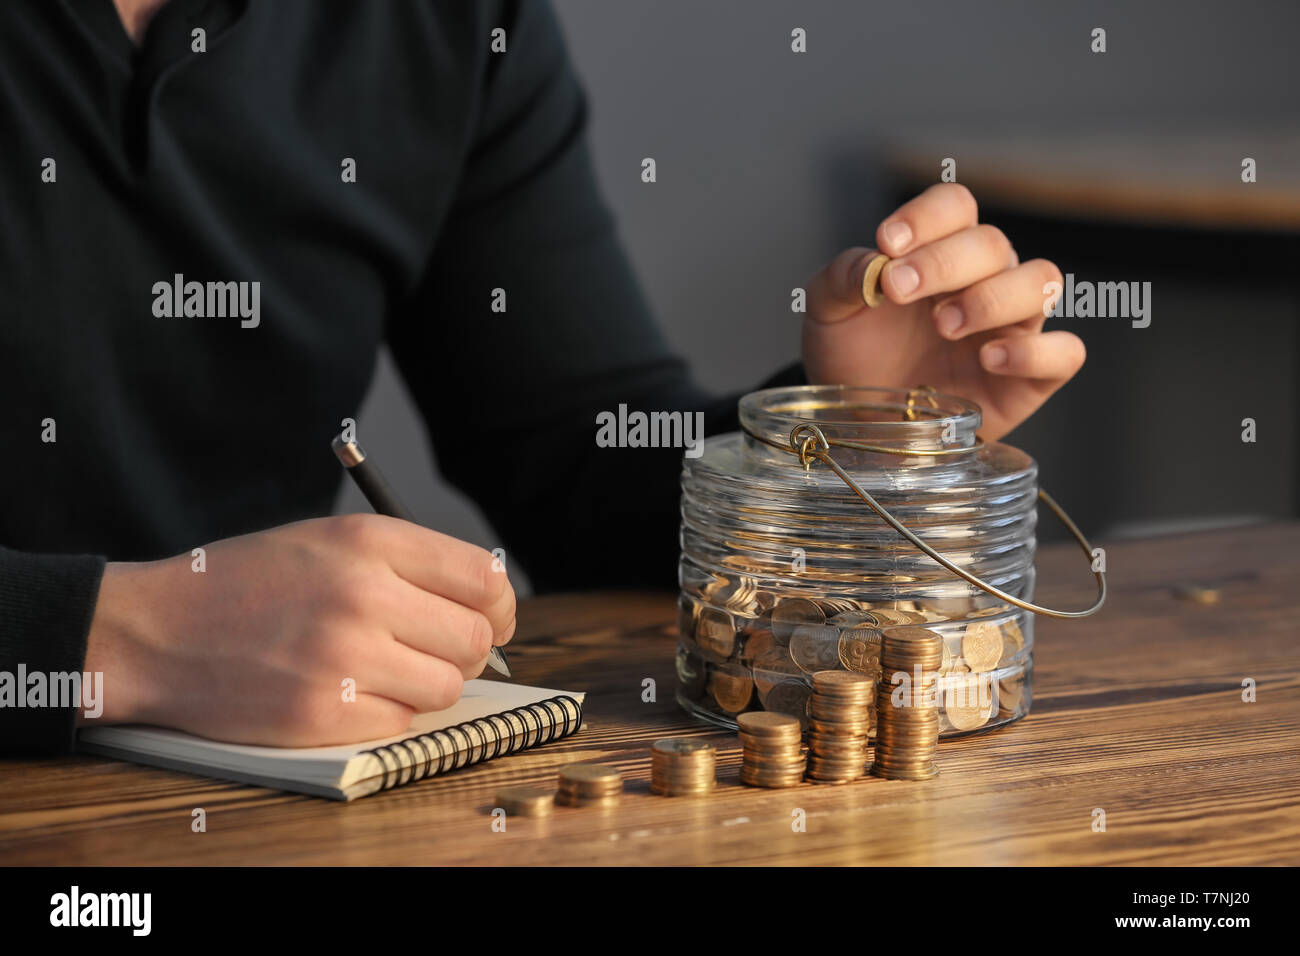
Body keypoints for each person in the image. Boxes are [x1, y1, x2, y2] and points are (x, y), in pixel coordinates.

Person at [0, 0, 1083, 754]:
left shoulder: (442, 20)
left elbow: (574, 459)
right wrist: (111, 636)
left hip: (266, 811)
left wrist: (825, 442)